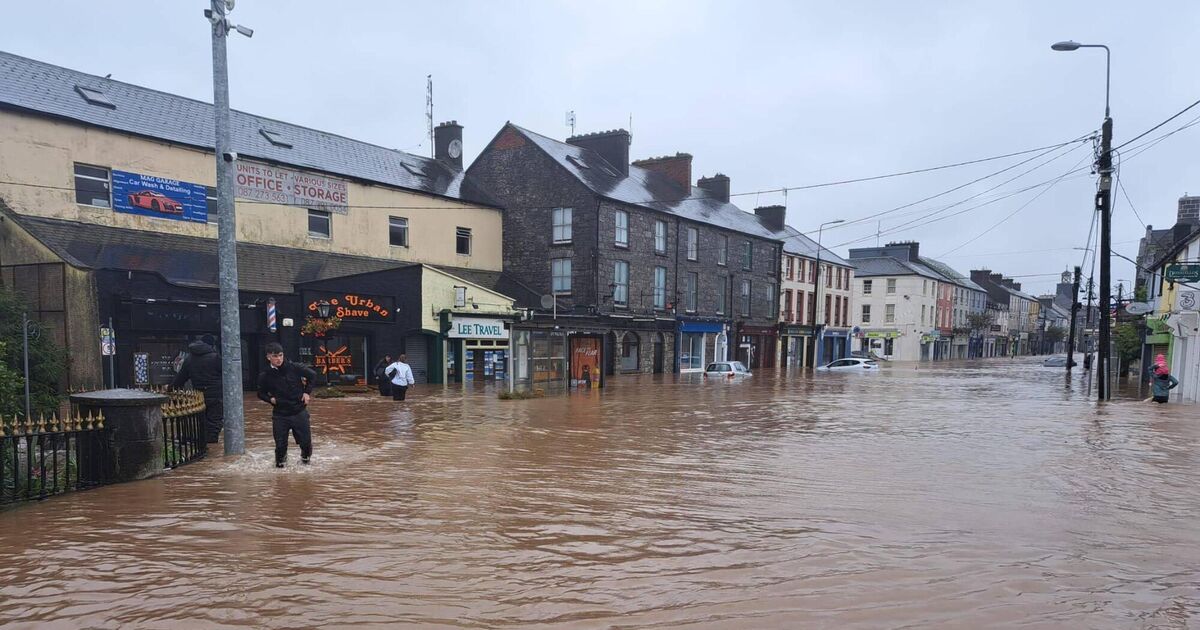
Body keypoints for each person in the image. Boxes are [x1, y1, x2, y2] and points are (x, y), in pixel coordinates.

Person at [256, 342, 317, 467]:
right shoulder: (265, 375)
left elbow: (313, 375)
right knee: (280, 446)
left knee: (305, 443)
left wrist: (306, 393)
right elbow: (260, 393)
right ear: (268, 357)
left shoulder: (294, 367)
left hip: (299, 411)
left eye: (280, 355)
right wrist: (270, 400)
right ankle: (280, 471)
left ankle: (305, 462)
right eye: (275, 356)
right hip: (280, 415)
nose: (278, 359)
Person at [172, 333, 224, 444]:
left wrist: (171, 389)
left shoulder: (189, 359)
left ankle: (204, 445)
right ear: (212, 345)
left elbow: (180, 379)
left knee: (201, 421)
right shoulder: (215, 357)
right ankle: (212, 448)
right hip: (216, 395)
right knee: (214, 422)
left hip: (198, 396)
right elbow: (227, 375)